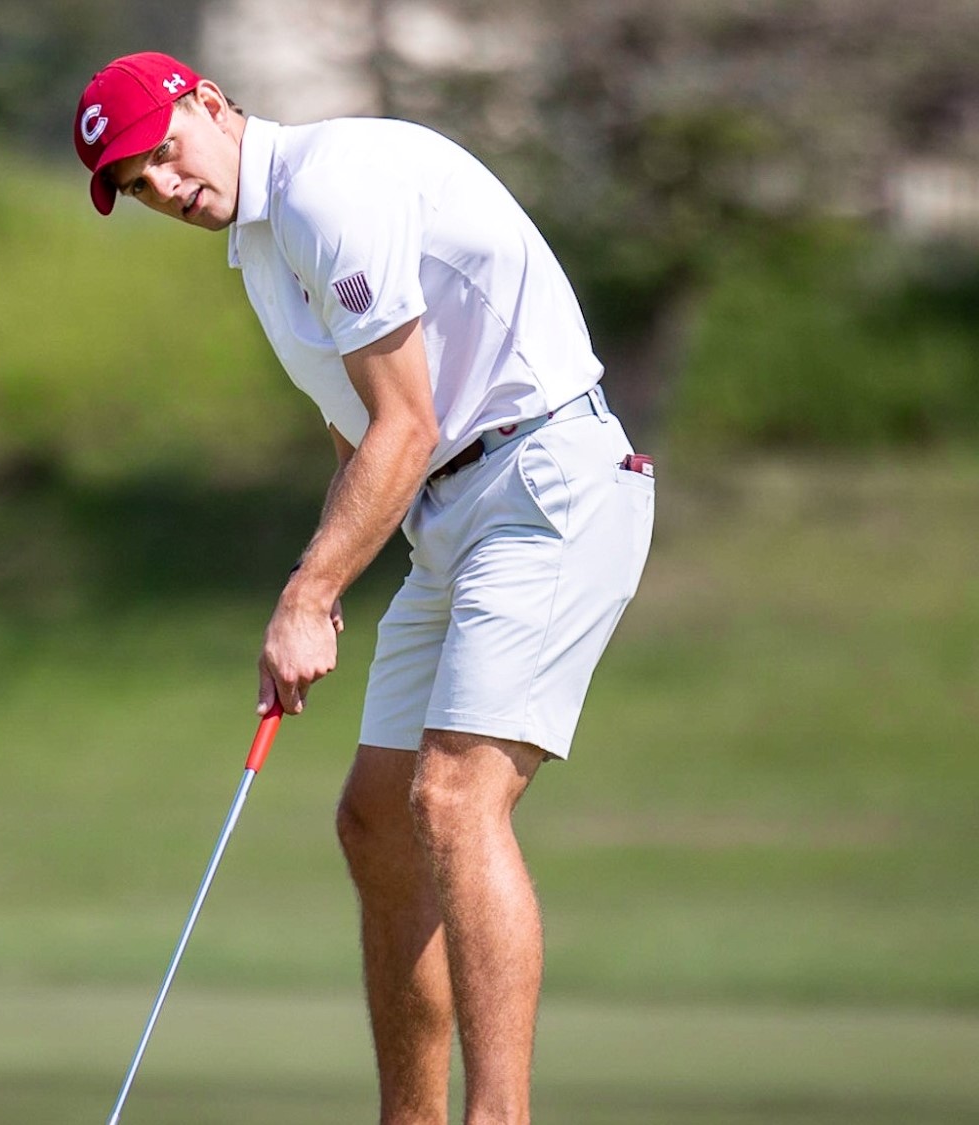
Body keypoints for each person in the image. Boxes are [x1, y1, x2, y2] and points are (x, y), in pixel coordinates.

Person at [74, 51, 653, 1125]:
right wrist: (318, 581)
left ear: (208, 103)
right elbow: (358, 442)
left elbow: (408, 423)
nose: (164, 186)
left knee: (453, 798)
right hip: (451, 516)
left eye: (163, 153)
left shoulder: (328, 185)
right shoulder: (259, 251)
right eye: (136, 184)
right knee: (374, 820)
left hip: (544, 485)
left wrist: (307, 593)